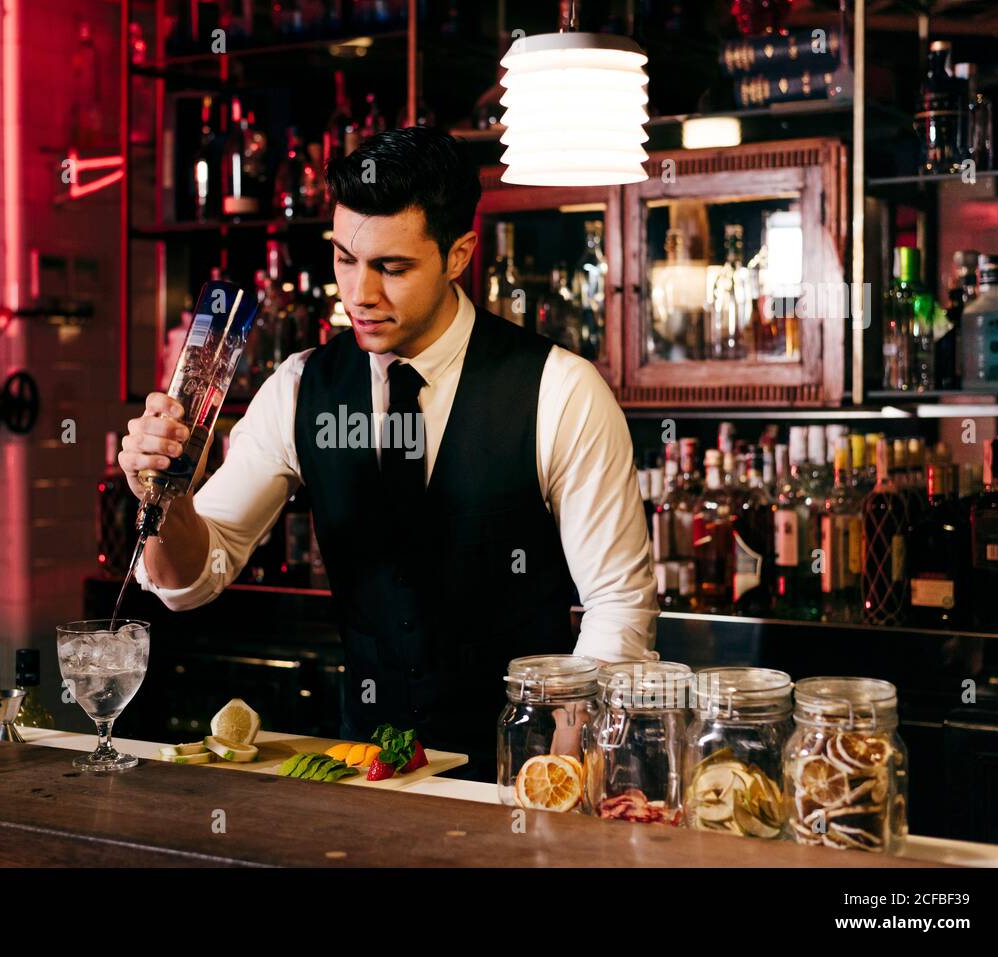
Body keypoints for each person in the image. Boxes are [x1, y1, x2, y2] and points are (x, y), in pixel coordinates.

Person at [120, 126, 657, 780]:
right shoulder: (300, 387)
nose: (360, 293)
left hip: (519, 775)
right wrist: (165, 497)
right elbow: (188, 581)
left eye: (391, 267)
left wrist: (560, 762)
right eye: (344, 258)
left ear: (459, 254)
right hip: (365, 776)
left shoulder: (559, 390)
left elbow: (619, 605)